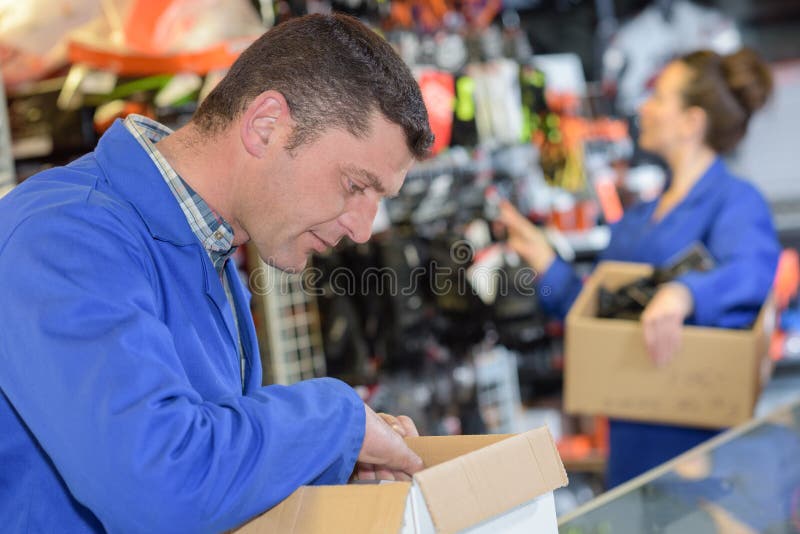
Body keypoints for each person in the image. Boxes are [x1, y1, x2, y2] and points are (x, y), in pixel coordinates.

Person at [0, 13, 434, 532]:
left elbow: (208, 474)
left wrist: (329, 464)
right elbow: (158, 487)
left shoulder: (205, 248)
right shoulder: (65, 235)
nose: (364, 229)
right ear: (266, 125)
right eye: (355, 185)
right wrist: (335, 421)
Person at [500, 48, 779, 488]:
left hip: (701, 451)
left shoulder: (734, 201)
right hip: (630, 445)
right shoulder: (636, 219)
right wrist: (546, 265)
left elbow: (752, 273)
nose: (643, 107)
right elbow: (591, 310)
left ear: (692, 121)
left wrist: (686, 293)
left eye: (658, 97)